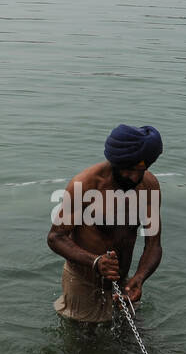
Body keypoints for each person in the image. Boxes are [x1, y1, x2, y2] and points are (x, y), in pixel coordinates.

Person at [47, 124, 163, 323]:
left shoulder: (148, 186)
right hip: (83, 283)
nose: (134, 177)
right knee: (81, 347)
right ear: (116, 162)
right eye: (128, 170)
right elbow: (55, 237)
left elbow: (154, 245)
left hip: (123, 284)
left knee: (129, 343)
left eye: (141, 170)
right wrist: (95, 261)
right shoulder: (84, 185)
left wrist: (139, 278)